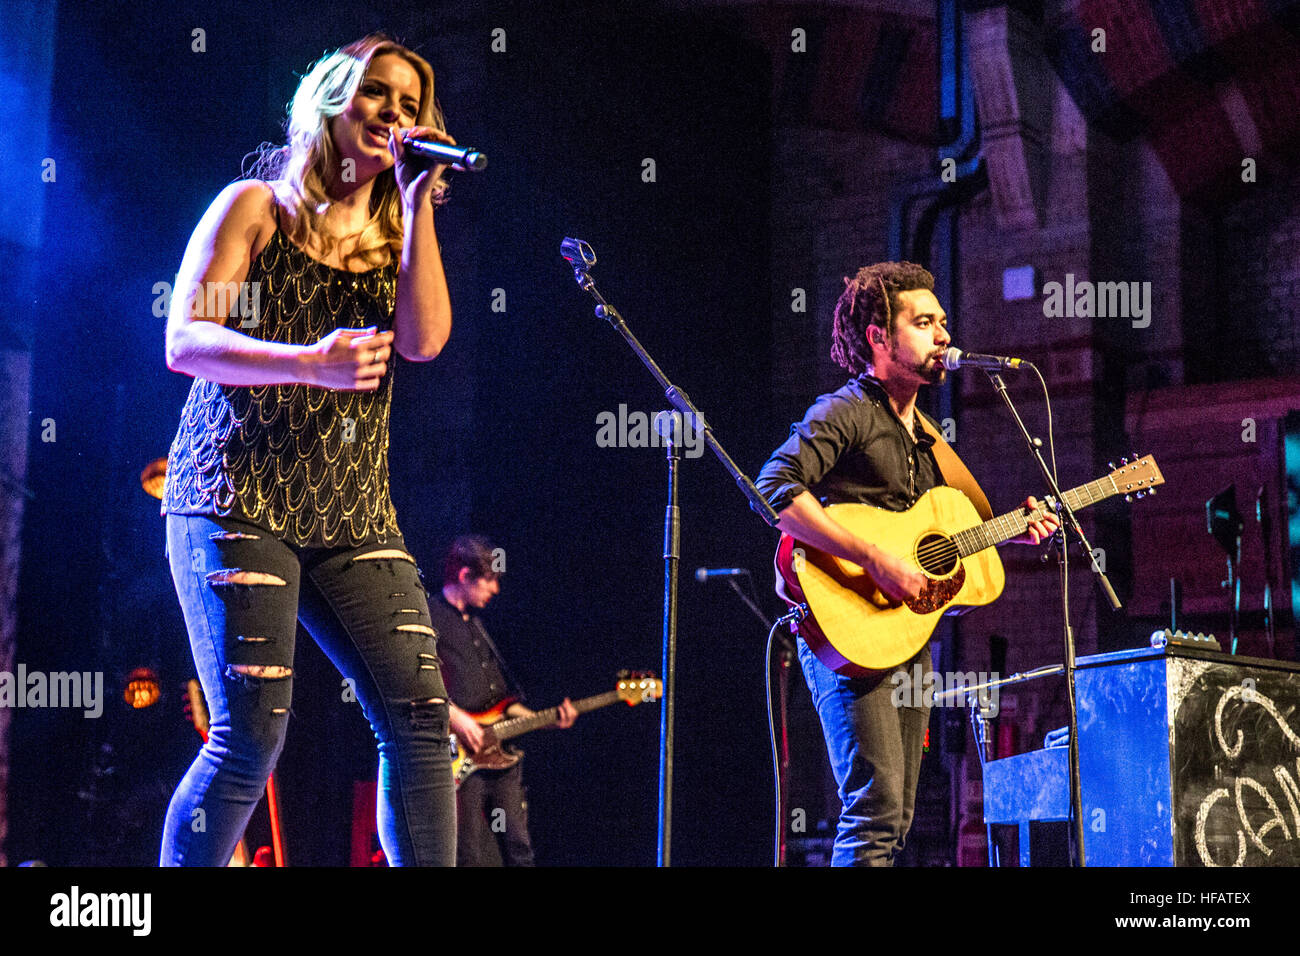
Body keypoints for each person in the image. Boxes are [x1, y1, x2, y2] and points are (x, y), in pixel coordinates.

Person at [159, 34, 461, 866]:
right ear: (332, 101)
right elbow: (185, 339)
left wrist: (421, 201)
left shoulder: (399, 225)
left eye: (409, 106)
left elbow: (426, 341)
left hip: (350, 505)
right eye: (376, 96)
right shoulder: (254, 206)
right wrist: (308, 364)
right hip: (233, 491)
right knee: (251, 732)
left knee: (422, 719)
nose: (393, 116)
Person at [755, 262, 1058, 866]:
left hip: (903, 635)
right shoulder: (848, 411)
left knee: (897, 817)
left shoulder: (925, 437)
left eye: (942, 322)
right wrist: (874, 557)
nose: (942, 335)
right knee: (873, 807)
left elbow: (942, 534)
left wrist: (1013, 533)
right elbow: (773, 488)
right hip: (844, 627)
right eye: (923, 323)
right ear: (878, 337)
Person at [428, 536, 578, 867]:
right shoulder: (431, 618)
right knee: (469, 853)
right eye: (489, 580)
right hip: (462, 758)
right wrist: (459, 720)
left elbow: (502, 701)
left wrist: (543, 719)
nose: (495, 590)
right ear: (465, 576)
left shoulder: (481, 625)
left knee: (519, 849)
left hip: (501, 757)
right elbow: (421, 688)